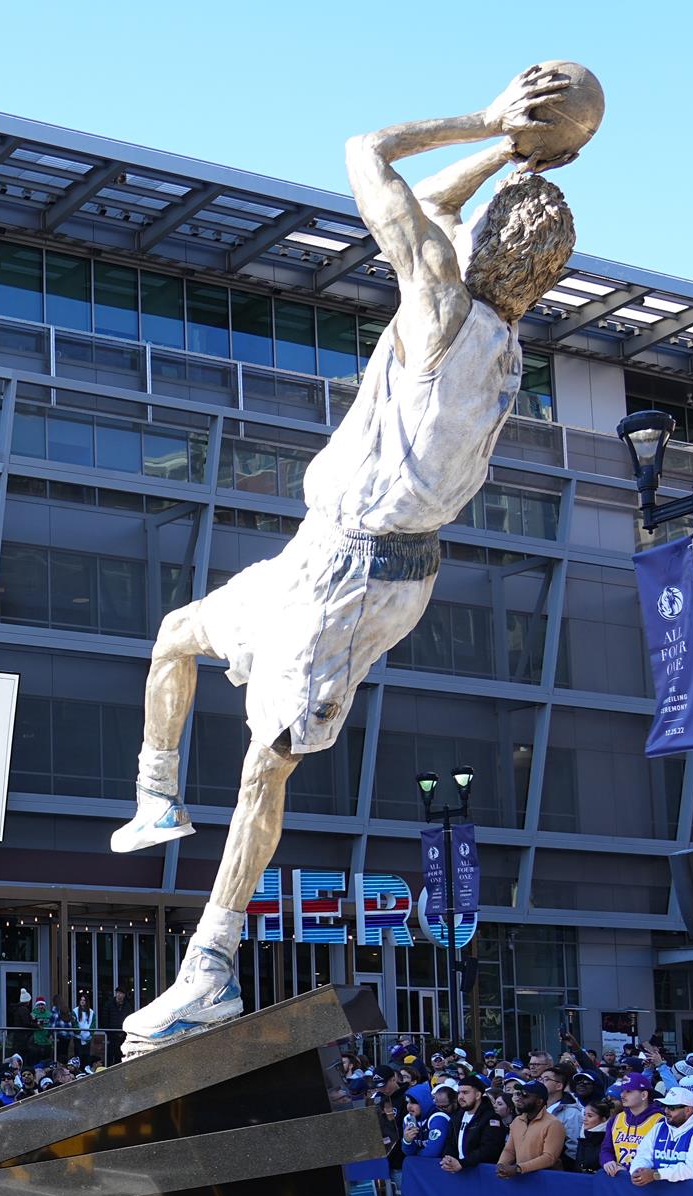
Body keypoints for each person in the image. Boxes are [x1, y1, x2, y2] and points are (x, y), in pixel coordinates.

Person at [112, 69, 583, 1052]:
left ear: (492, 247)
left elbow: (367, 154)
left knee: (261, 769)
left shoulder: (438, 312)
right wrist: (511, 154)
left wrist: (490, 124)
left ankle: (209, 968)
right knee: (176, 635)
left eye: (489, 215)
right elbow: (438, 211)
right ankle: (157, 799)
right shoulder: (500, 335)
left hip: (351, 578)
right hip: (351, 559)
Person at [495, 1080, 565, 1179]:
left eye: (525, 1095)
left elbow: (549, 1158)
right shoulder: (517, 1121)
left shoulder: (553, 1124)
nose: (519, 1098)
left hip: (546, 1181)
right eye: (519, 1094)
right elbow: (509, 1150)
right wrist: (501, 1164)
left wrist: (518, 1168)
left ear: (539, 1101)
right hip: (522, 1179)